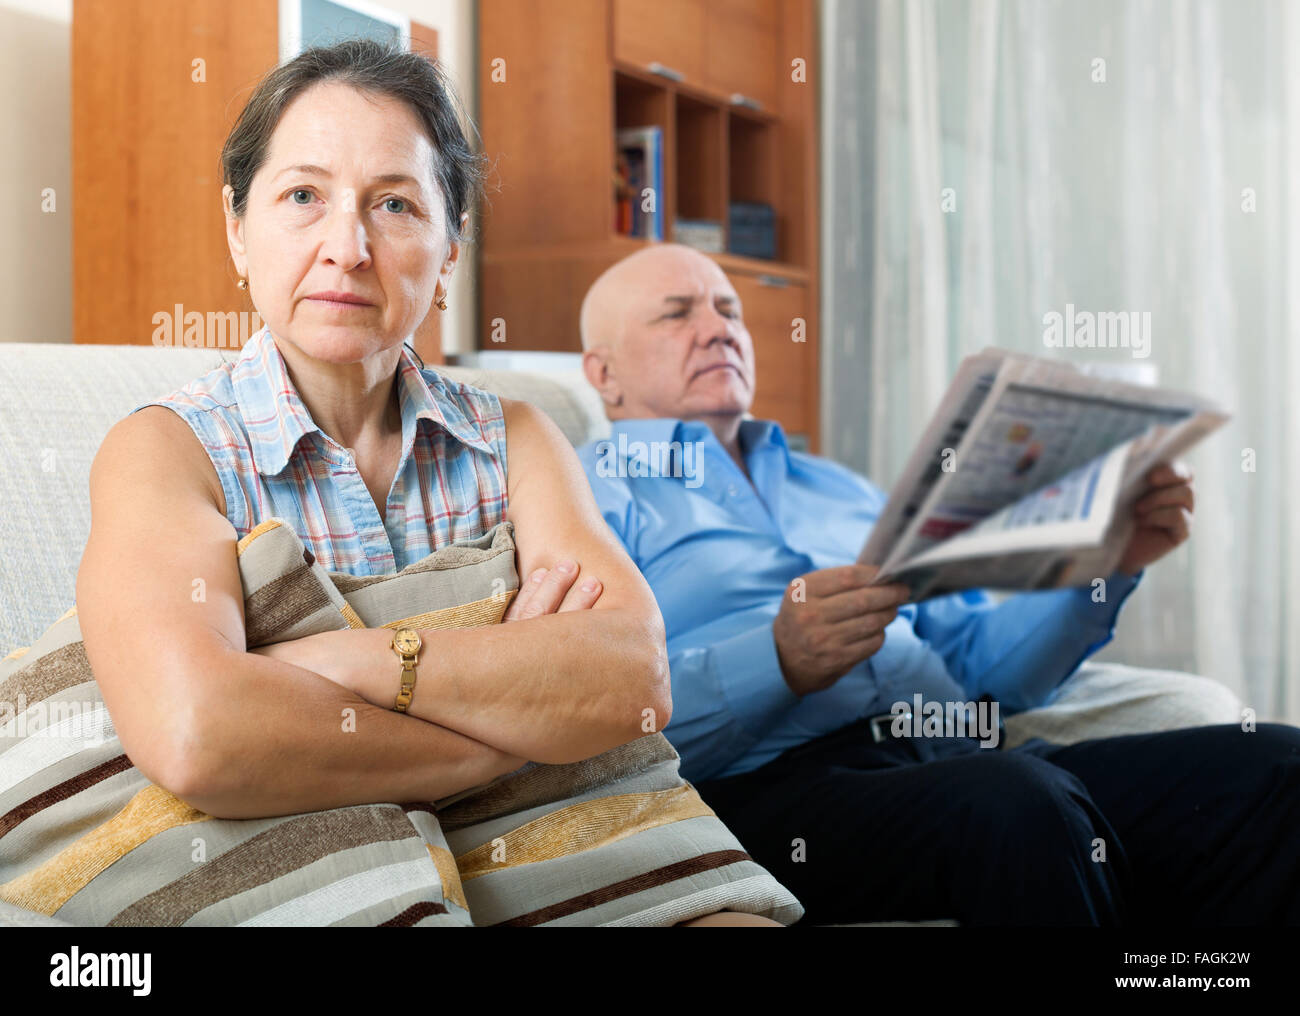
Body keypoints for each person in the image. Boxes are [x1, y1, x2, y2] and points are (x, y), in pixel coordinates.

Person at [75, 41, 779, 927]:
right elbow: (198, 733)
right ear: (236, 229)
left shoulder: (517, 437)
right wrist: (512, 727)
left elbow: (633, 679)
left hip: (558, 838)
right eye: (302, 196)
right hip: (311, 865)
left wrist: (335, 666)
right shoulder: (166, 450)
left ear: (450, 251)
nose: (348, 249)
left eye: (396, 205)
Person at [576, 241, 1300, 926]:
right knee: (1016, 803)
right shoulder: (590, 495)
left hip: (949, 748)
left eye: (729, 310)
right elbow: (599, 726)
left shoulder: (838, 487)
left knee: (1273, 766)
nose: (718, 330)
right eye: (678, 313)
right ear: (602, 374)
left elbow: (988, 676)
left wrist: (1106, 571)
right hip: (762, 791)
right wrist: (778, 662)